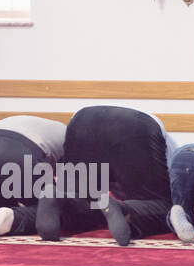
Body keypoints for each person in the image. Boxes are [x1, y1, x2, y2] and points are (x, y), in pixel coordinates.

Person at [37, 105, 175, 246]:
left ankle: (59, 197)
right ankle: (122, 209)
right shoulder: (173, 153)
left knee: (79, 197)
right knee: (165, 207)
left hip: (82, 120)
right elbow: (171, 188)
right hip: (136, 128)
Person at [0, 115, 67, 240]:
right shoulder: (70, 135)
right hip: (20, 150)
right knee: (46, 209)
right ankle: (11, 219)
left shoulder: (46, 126)